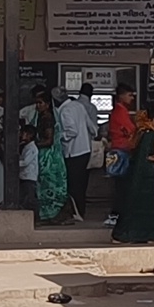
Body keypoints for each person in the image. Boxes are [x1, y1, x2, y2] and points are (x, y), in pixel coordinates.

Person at [112, 109, 154, 244]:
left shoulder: (137, 134)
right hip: (148, 177)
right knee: (149, 207)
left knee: (132, 206)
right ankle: (150, 235)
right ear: (151, 120)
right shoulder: (153, 136)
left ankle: (124, 235)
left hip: (135, 176)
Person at [32, 89, 72, 226]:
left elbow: (48, 140)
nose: (37, 106)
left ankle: (52, 215)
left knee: (48, 185)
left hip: (49, 157)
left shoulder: (47, 118)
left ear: (48, 104)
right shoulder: (42, 117)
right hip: (49, 155)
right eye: (36, 103)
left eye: (40, 103)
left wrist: (33, 144)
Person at [55, 87, 93, 221]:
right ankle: (81, 211)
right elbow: (91, 126)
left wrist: (58, 136)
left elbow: (72, 131)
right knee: (81, 185)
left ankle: (75, 212)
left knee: (73, 185)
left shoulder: (65, 111)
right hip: (85, 149)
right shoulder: (78, 105)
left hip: (73, 151)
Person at [104, 87, 136, 226]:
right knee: (122, 186)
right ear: (121, 96)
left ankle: (116, 214)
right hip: (121, 151)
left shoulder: (117, 111)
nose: (132, 98)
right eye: (130, 95)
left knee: (120, 185)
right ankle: (116, 214)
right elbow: (130, 130)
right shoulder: (121, 112)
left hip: (117, 150)